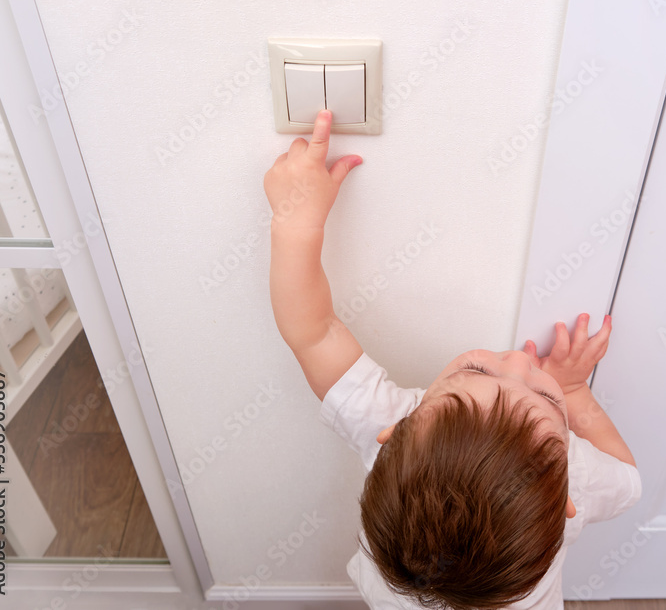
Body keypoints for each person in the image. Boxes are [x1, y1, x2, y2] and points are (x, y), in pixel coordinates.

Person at [265, 109, 641, 609]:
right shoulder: (573, 474)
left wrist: (296, 222)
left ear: (393, 432)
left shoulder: (393, 427)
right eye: (543, 397)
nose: (519, 362)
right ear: (567, 506)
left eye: (481, 370)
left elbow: (313, 333)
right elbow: (626, 475)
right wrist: (574, 389)